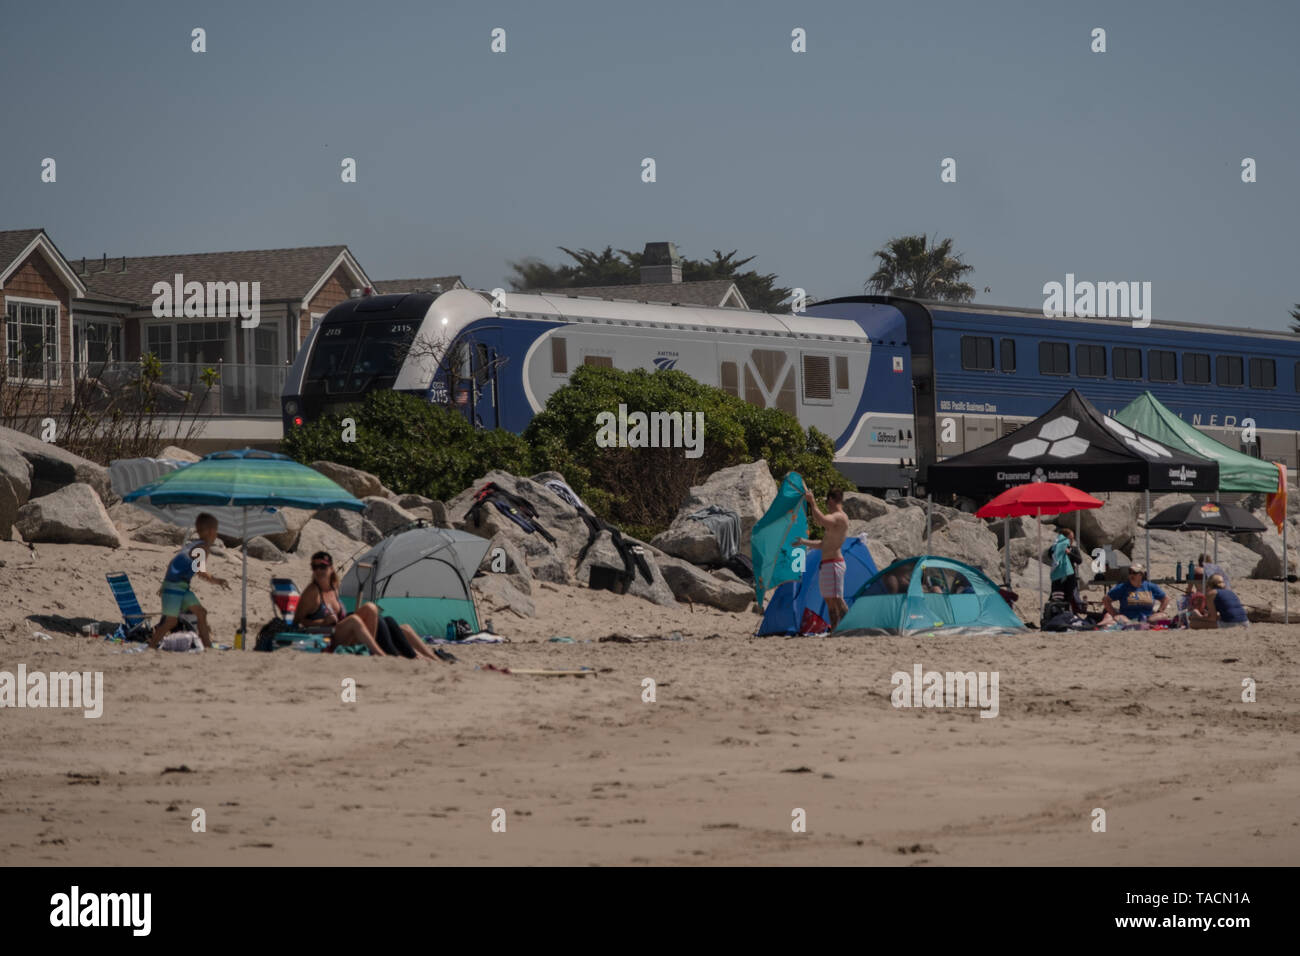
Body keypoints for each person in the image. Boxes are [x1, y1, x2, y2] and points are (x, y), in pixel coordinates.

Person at [150, 512, 229, 649]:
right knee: (170, 621)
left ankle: (207, 646)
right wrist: (218, 581)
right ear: (212, 531)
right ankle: (150, 647)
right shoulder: (203, 548)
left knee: (201, 613)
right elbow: (201, 572)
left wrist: (164, 583)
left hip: (181, 587)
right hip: (175, 587)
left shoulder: (193, 545)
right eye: (216, 530)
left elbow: (173, 562)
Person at [799, 487, 850, 629]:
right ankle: (835, 629)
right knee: (829, 600)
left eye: (827, 502)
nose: (827, 505)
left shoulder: (840, 517)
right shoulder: (833, 523)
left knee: (837, 598)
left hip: (834, 563)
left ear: (832, 500)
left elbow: (821, 520)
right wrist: (803, 541)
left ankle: (848, 627)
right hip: (827, 563)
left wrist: (812, 502)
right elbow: (823, 544)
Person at [1103, 563, 1171, 624]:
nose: (1131, 575)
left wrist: (1159, 611)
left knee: (1163, 615)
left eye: (1134, 573)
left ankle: (1146, 623)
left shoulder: (1150, 586)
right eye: (1130, 572)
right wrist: (1114, 614)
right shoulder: (1122, 587)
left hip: (1148, 618)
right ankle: (1135, 624)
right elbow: (1106, 599)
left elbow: (1165, 599)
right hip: (1127, 618)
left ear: (1141, 574)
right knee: (1119, 618)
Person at [1050, 527, 1083, 613]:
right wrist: (1058, 548)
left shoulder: (1074, 549)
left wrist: (1069, 553)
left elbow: (1079, 560)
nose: (1072, 540)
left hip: (1070, 577)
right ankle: (1056, 615)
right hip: (1058, 577)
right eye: (1070, 538)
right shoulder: (1055, 547)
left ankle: (1068, 615)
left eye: (1072, 538)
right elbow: (1049, 554)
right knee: (1057, 598)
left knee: (1069, 597)